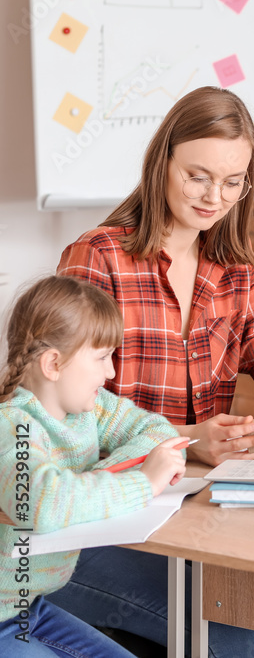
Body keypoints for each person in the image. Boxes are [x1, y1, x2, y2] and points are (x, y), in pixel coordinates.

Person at [52, 87, 254, 658]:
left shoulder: (238, 274)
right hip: (93, 524)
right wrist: (186, 443)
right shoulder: (98, 258)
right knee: (237, 636)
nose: (215, 197)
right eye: (199, 176)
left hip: (193, 510)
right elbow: (59, 414)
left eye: (233, 182)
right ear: (163, 162)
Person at [0, 276, 186, 657]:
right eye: (102, 357)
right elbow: (42, 503)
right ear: (54, 363)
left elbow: (158, 431)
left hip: (28, 608)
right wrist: (142, 482)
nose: (112, 373)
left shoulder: (89, 410)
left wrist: (92, 481)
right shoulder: (11, 426)